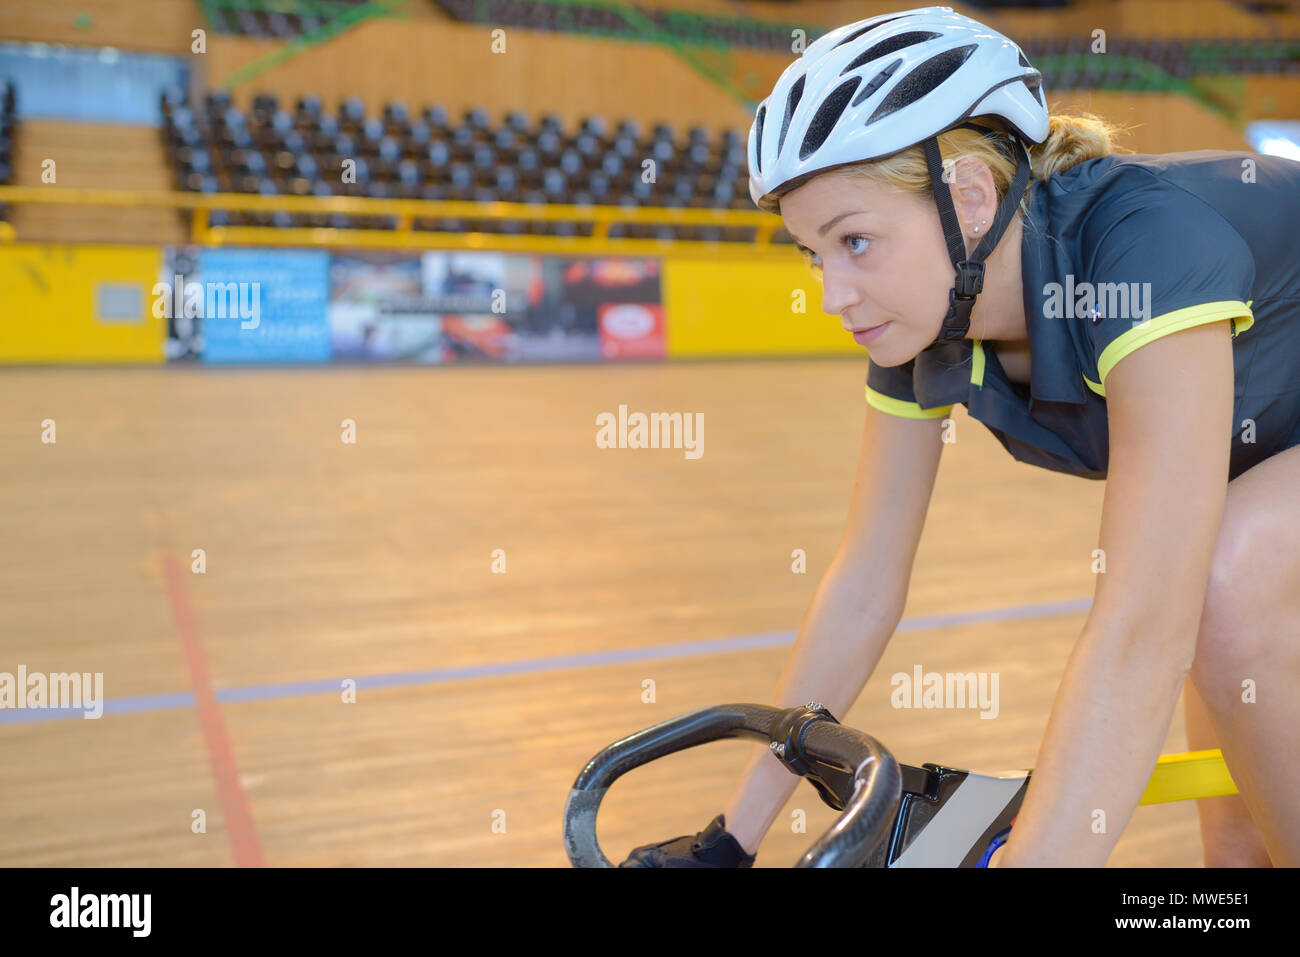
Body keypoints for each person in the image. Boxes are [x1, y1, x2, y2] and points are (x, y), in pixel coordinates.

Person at [621, 5, 1300, 868]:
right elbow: (865, 584)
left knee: (1223, 580)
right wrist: (731, 841)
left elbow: (1141, 625)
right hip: (1269, 448)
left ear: (969, 200)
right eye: (812, 255)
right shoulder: (923, 318)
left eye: (855, 241)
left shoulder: (1144, 250)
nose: (835, 295)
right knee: (1235, 854)